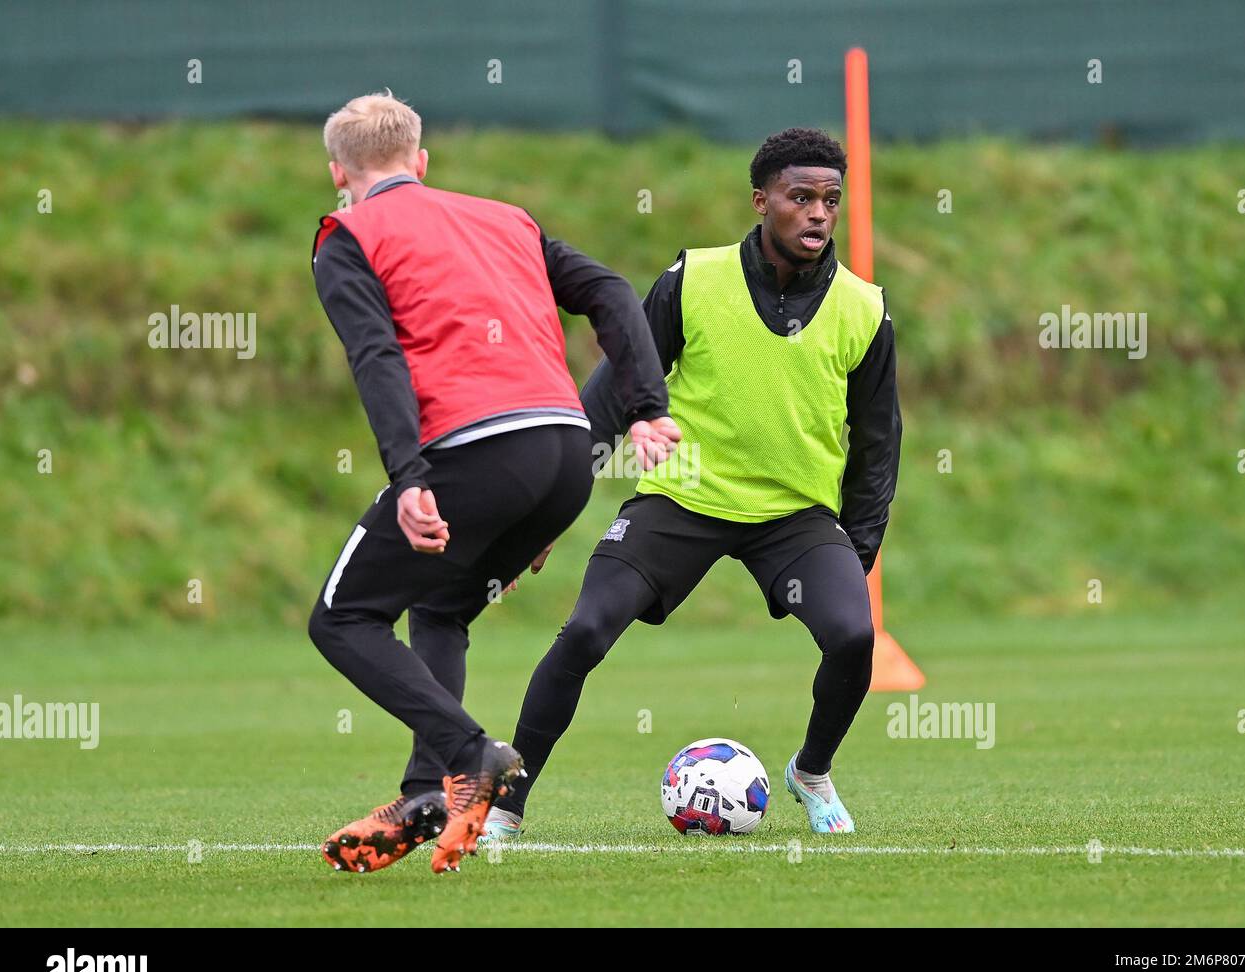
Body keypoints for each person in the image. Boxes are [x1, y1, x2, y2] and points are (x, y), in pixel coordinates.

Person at [486, 127, 901, 840]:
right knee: (585, 629)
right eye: (800, 198)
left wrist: (856, 549)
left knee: (853, 633)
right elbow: (617, 393)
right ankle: (506, 803)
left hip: (794, 515)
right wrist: (547, 511)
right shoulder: (694, 280)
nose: (818, 214)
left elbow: (878, 442)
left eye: (831, 200)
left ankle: (811, 771)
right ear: (761, 200)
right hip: (684, 499)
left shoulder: (864, 308)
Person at [307, 92, 679, 873]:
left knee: (342, 619)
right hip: (565, 452)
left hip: (473, 455)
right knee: (439, 606)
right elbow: (611, 291)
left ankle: (474, 755)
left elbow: (376, 358)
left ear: (339, 172)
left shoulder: (347, 235)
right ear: (422, 162)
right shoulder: (506, 218)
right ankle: (429, 791)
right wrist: (644, 408)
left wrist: (408, 476)